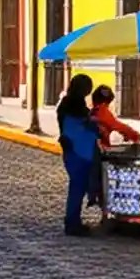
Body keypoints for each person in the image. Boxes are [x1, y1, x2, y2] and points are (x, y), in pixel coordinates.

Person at [55, 73, 99, 237]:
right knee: (77, 188)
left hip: (73, 150)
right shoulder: (74, 106)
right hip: (79, 151)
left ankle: (73, 221)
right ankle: (72, 223)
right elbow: (84, 123)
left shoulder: (67, 103)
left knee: (77, 188)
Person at [87, 85, 140, 208]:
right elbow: (117, 125)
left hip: (90, 149)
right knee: (104, 183)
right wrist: (135, 136)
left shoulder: (93, 111)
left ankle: (94, 197)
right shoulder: (103, 112)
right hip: (98, 150)